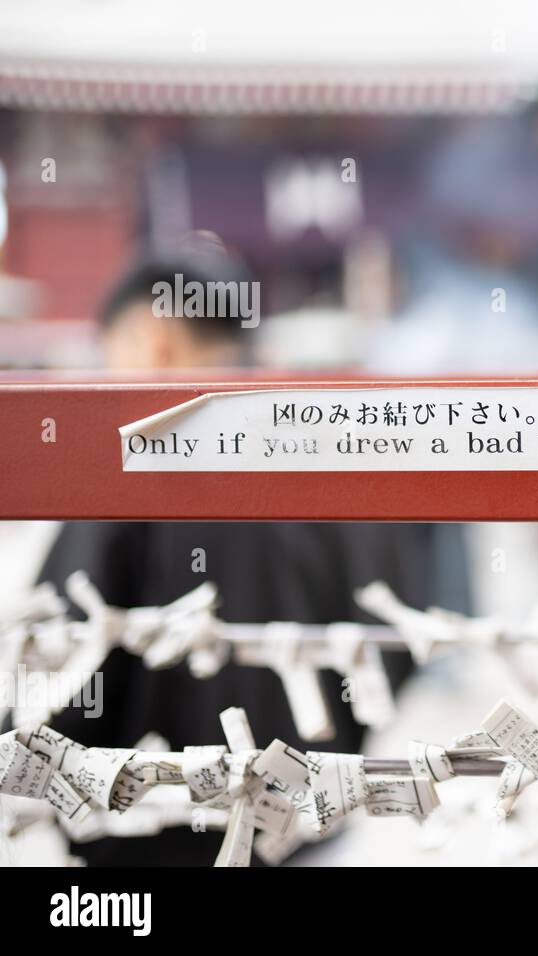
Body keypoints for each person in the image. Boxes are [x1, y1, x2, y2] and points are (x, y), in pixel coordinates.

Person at [35, 246, 469, 865]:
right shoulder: (341, 456)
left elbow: (62, 669)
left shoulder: (133, 473)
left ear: (149, 340)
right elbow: (401, 634)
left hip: (151, 848)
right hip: (307, 833)